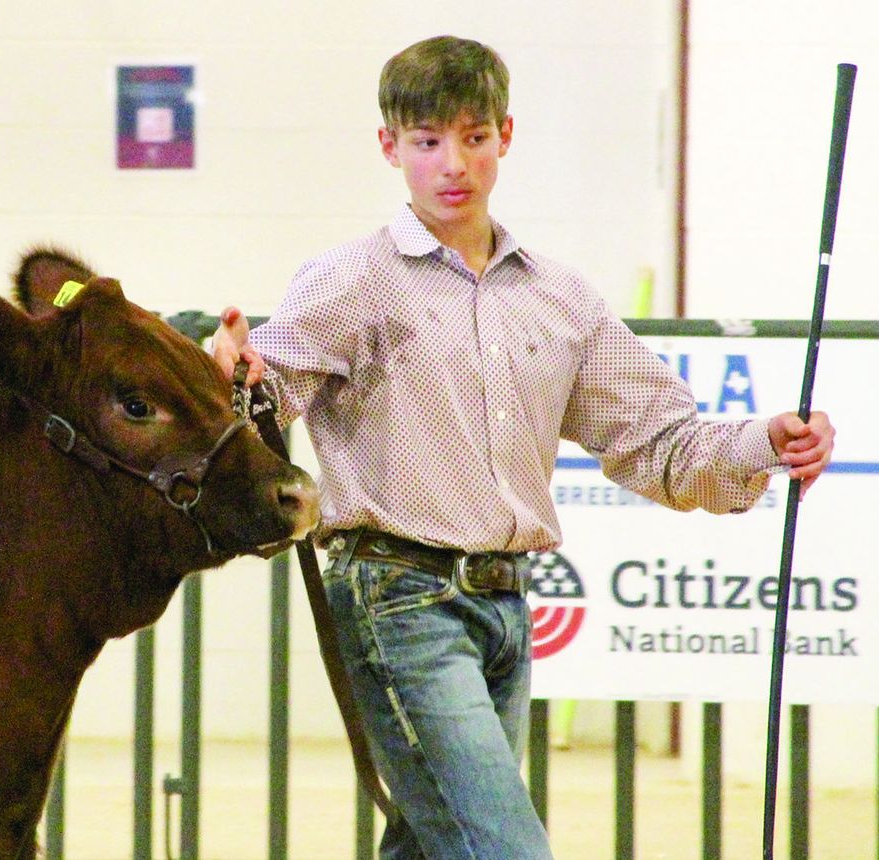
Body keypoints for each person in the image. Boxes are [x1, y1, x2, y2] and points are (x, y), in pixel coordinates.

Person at [210, 34, 835, 860]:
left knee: (437, 846)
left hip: (506, 607)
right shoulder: (353, 277)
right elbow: (268, 391)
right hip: (397, 599)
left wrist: (764, 439)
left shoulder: (559, 296)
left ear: (506, 135)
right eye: (428, 141)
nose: (452, 163)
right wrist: (233, 374)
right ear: (390, 147)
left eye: (472, 137)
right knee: (504, 850)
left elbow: (659, 439)